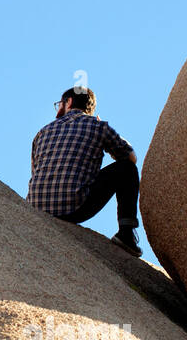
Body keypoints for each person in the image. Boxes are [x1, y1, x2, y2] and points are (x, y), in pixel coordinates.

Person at [26, 86, 142, 256]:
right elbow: (130, 157)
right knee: (127, 169)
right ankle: (126, 235)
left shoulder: (42, 132)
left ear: (69, 102)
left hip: (35, 206)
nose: (58, 109)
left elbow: (36, 172)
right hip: (73, 208)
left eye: (59, 104)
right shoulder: (98, 126)